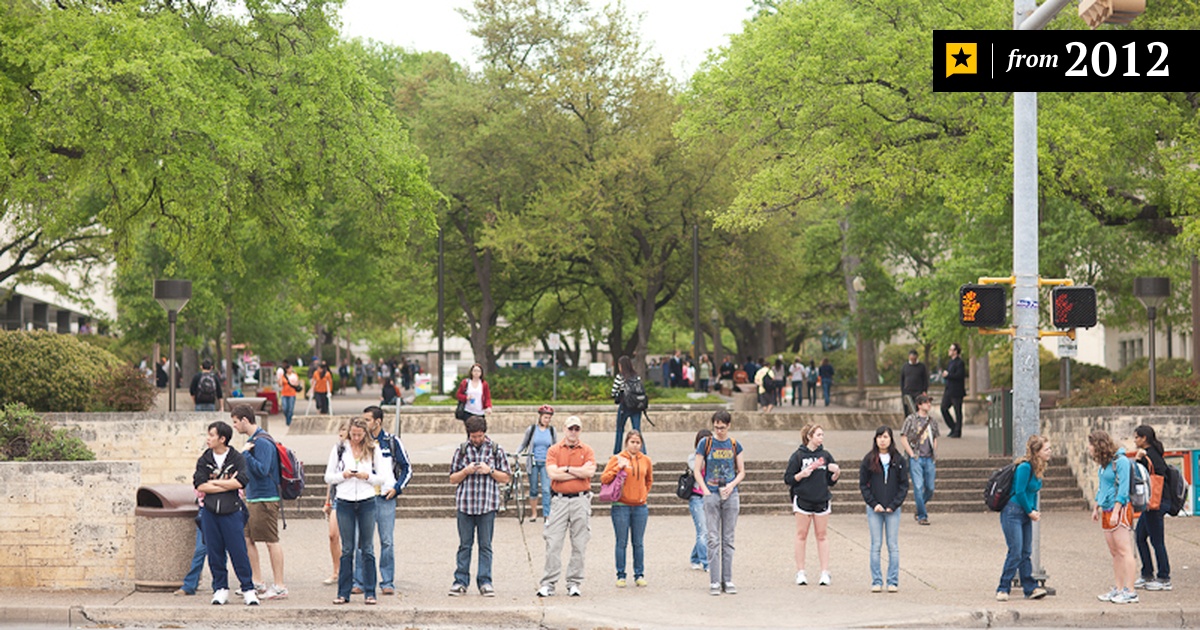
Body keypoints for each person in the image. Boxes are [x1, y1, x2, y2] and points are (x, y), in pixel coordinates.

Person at [325, 417, 392, 605]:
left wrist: (367, 476)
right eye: (353, 434)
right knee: (347, 548)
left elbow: (383, 477)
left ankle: (370, 591)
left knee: (367, 547)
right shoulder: (339, 448)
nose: (355, 438)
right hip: (345, 500)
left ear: (365, 434)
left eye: (359, 435)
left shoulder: (373, 449)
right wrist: (343, 475)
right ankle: (343, 592)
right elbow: (328, 476)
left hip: (366, 500)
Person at [192, 420, 258, 606]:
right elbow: (200, 484)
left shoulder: (237, 458)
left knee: (238, 551)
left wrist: (214, 483)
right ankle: (220, 589)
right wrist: (226, 484)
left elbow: (241, 482)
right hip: (210, 512)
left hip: (232, 511)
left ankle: (248, 589)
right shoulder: (205, 460)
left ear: (223, 439)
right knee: (214, 552)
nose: (208, 438)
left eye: (212, 435)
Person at [230, 404, 287, 600]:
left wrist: (245, 454)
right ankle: (257, 581)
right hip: (254, 497)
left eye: (236, 422)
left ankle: (279, 585)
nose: (235, 426)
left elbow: (262, 470)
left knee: (271, 541)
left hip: (265, 498)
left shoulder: (261, 442)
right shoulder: (253, 440)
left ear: (245, 420)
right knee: (248, 539)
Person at [354, 406, 413, 596]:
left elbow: (407, 468)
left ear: (378, 422)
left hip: (386, 497)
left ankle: (387, 581)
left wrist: (397, 488)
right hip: (364, 497)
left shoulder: (392, 442)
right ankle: (360, 581)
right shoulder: (360, 442)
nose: (364, 423)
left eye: (368, 420)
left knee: (386, 541)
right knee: (362, 541)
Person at [537, 415, 596, 598]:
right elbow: (553, 474)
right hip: (559, 500)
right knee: (553, 542)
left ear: (580, 430)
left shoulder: (587, 450)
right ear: (564, 429)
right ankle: (548, 583)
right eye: (570, 428)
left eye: (576, 429)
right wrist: (578, 472)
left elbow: (590, 472)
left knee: (579, 544)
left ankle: (574, 582)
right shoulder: (554, 450)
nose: (573, 432)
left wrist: (567, 469)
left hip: (580, 500)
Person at [996, 435, 1052, 601]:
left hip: (1026, 513)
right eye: (1046, 449)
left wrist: (1033, 510)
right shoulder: (1024, 467)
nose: (1050, 452)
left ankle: (1030, 588)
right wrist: (1030, 511)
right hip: (1012, 512)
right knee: (1015, 551)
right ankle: (1003, 587)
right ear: (1037, 451)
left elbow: (1033, 492)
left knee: (1025, 551)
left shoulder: (1038, 467)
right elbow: (1020, 492)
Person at [695, 410, 745, 596]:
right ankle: (715, 580)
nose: (719, 431)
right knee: (713, 538)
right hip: (711, 492)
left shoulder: (734, 445)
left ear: (729, 426)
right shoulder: (705, 443)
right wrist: (706, 491)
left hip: (730, 494)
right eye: (716, 427)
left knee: (728, 539)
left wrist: (731, 486)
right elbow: (697, 469)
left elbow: (741, 471)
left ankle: (728, 579)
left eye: (722, 427)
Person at [785, 423, 840, 587]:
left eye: (822, 435)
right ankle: (800, 571)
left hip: (821, 499)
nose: (821, 438)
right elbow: (788, 478)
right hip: (803, 499)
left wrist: (836, 473)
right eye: (818, 435)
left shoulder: (826, 455)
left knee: (822, 535)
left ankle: (824, 572)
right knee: (801, 535)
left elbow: (830, 482)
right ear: (809, 437)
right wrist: (802, 474)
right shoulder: (798, 456)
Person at [1089, 429, 1138, 604]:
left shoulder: (1121, 462)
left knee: (1125, 550)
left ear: (1099, 445)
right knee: (1115, 552)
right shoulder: (1104, 464)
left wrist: (1117, 510)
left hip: (1120, 509)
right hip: (1106, 508)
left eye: (1091, 445)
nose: (1089, 448)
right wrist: (1097, 506)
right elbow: (1103, 486)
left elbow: (1123, 488)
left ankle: (1130, 590)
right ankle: (1118, 588)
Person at [602, 430, 653, 588]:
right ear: (626, 443)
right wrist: (618, 468)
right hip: (621, 506)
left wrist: (642, 494)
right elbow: (604, 478)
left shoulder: (646, 460)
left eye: (638, 442)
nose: (635, 445)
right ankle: (621, 574)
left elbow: (649, 480)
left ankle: (639, 573)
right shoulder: (617, 458)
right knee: (621, 542)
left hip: (640, 506)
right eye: (632, 442)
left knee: (638, 542)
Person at [859, 426, 908, 593]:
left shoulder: (899, 460)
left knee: (893, 545)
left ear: (891, 439)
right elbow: (863, 485)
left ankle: (893, 581)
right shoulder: (869, 459)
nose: (882, 440)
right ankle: (877, 580)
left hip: (893, 508)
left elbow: (903, 485)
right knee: (876, 545)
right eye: (879, 436)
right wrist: (874, 504)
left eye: (885, 436)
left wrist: (894, 504)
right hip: (875, 508)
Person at [1133, 425, 1171, 591]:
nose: (1135, 440)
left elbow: (1152, 475)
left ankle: (1164, 577)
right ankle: (1147, 573)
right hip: (1151, 505)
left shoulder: (1151, 456)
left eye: (1136, 437)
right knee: (1140, 536)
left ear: (1144, 438)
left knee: (1157, 541)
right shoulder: (1150, 454)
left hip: (1155, 504)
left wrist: (1139, 458)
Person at [899, 394, 938, 526]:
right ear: (919, 405)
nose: (929, 405)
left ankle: (919, 508)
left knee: (930, 488)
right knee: (918, 486)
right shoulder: (911, 419)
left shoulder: (932, 421)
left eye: (929, 402)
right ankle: (922, 515)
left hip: (929, 458)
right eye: (926, 402)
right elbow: (903, 437)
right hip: (916, 457)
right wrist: (911, 454)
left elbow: (935, 437)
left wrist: (934, 452)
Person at [518, 405, 558, 521]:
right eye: (545, 417)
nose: (547, 420)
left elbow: (555, 447)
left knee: (546, 489)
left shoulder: (551, 431)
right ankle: (534, 513)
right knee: (533, 488)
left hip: (546, 463)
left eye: (549, 418)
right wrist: (517, 453)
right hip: (533, 462)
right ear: (540, 417)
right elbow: (523, 444)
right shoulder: (531, 430)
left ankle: (547, 514)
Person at [323, 420, 350, 586]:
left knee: (351, 539)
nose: (341, 433)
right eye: (339, 430)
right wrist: (327, 501)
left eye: (344, 430)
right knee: (333, 535)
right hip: (337, 496)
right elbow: (330, 478)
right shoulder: (338, 449)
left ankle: (351, 572)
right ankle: (336, 570)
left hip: (353, 497)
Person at [687, 429, 713, 572]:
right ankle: (707, 562)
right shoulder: (693, 457)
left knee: (707, 530)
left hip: (711, 496)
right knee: (703, 531)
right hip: (697, 497)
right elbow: (697, 468)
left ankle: (695, 558)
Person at [610, 355, 647, 455]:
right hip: (637, 407)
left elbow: (613, 393)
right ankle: (642, 453)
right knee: (637, 431)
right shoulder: (636, 377)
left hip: (625, 406)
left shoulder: (620, 377)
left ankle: (617, 453)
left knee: (619, 430)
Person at [940, 343, 966, 437]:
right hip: (949, 390)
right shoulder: (950, 362)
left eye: (951, 350)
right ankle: (953, 427)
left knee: (957, 411)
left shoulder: (960, 363)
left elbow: (959, 375)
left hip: (957, 391)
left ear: (955, 351)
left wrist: (948, 375)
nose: (949, 351)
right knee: (943, 408)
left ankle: (958, 431)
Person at [899, 350, 929, 415]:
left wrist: (924, 390)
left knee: (918, 410)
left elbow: (925, 379)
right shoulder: (905, 366)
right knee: (907, 411)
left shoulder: (921, 367)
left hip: (918, 392)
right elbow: (902, 380)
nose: (913, 360)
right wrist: (903, 391)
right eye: (911, 359)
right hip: (907, 391)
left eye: (914, 359)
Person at [277, 362, 301, 427]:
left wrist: (294, 383)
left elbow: (297, 383)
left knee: (290, 408)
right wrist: (279, 379)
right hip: (284, 393)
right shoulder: (284, 376)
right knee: (285, 408)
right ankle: (287, 417)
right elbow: (280, 385)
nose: (291, 369)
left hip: (292, 393)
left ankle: (289, 421)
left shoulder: (294, 375)